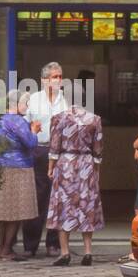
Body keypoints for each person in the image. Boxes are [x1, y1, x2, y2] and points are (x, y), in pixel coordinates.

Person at [46, 104, 104, 266]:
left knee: (64, 206)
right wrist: (96, 170)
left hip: (66, 164)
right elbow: (98, 149)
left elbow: (54, 147)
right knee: (86, 206)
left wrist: (50, 167)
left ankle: (65, 252)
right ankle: (87, 251)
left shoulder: (59, 118)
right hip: (86, 163)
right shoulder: (95, 119)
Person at [23, 61, 68, 257]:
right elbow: (23, 126)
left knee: (55, 199)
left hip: (59, 152)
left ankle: (52, 244)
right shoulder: (34, 99)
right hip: (39, 151)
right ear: (44, 80)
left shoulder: (63, 100)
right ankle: (30, 245)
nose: (59, 80)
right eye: (55, 77)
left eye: (60, 77)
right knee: (37, 198)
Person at [0, 90, 39, 261]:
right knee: (16, 213)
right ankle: (7, 250)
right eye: (25, 103)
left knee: (4, 213)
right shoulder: (18, 121)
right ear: (16, 104)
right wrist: (34, 130)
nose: (27, 107)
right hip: (18, 170)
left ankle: (0, 248)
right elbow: (30, 143)